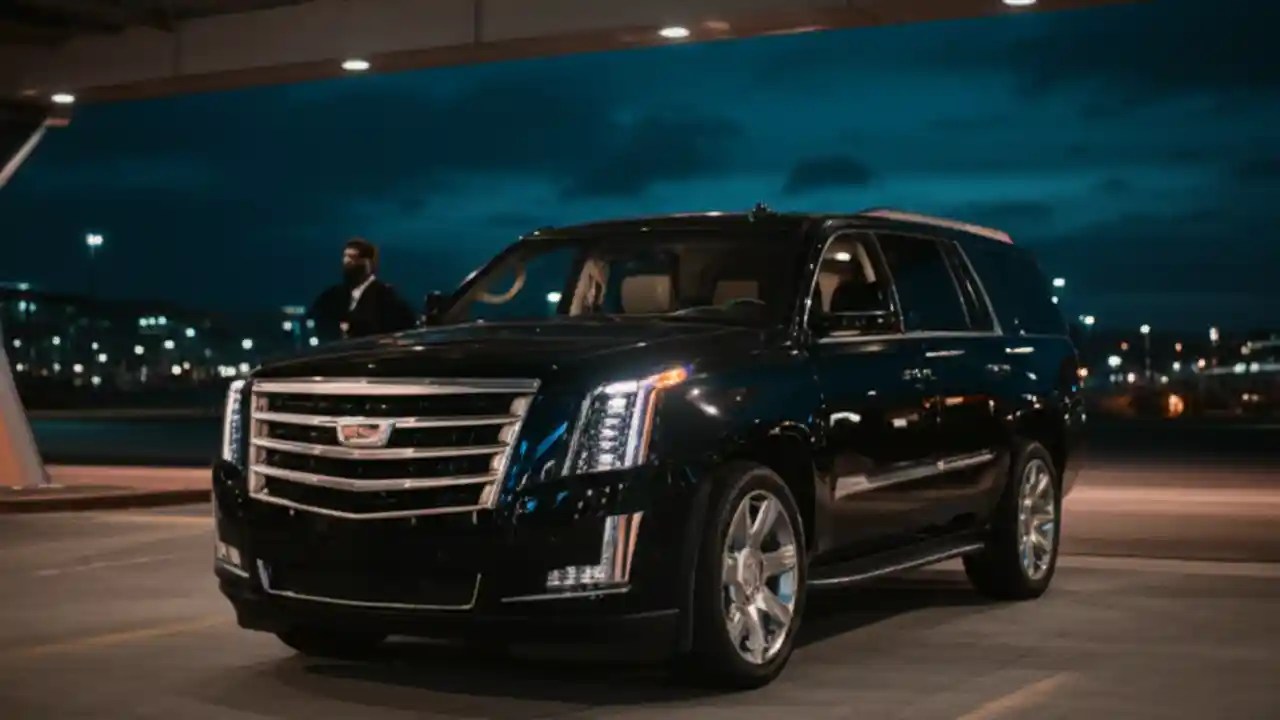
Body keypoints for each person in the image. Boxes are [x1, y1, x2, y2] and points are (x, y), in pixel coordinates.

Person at [309, 238, 418, 341]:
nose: (347, 261)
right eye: (345, 256)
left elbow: (402, 329)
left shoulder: (388, 297)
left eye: (353, 257)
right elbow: (317, 318)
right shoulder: (333, 295)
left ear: (368, 263)